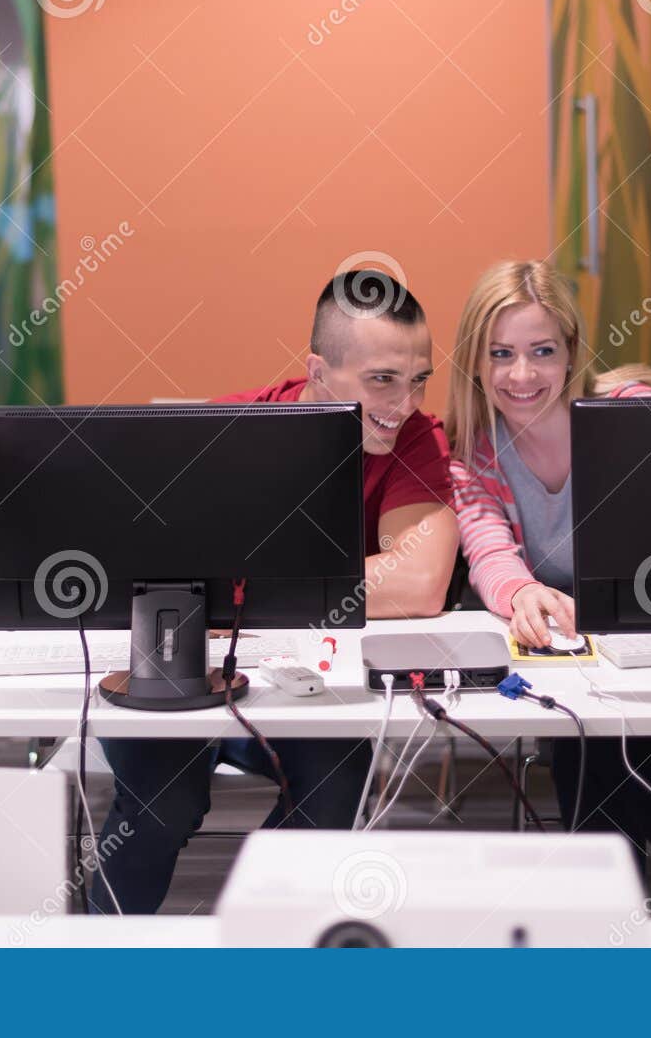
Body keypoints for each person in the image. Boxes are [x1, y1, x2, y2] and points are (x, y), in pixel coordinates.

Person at [90, 269, 460, 913]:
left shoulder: (416, 439)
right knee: (163, 803)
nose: (404, 403)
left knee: (337, 785)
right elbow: (137, 575)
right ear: (318, 370)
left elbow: (421, 582)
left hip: (302, 680)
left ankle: (243, 941)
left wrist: (239, 582)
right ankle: (94, 963)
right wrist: (313, 581)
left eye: (418, 379)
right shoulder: (221, 432)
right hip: (182, 666)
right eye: (382, 380)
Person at [445, 259, 651, 873]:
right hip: (569, 656)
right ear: (474, 361)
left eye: (543, 351)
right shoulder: (474, 448)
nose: (521, 374)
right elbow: (487, 547)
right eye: (500, 353)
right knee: (587, 748)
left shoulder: (631, 416)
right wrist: (522, 592)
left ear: (572, 351)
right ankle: (620, 906)